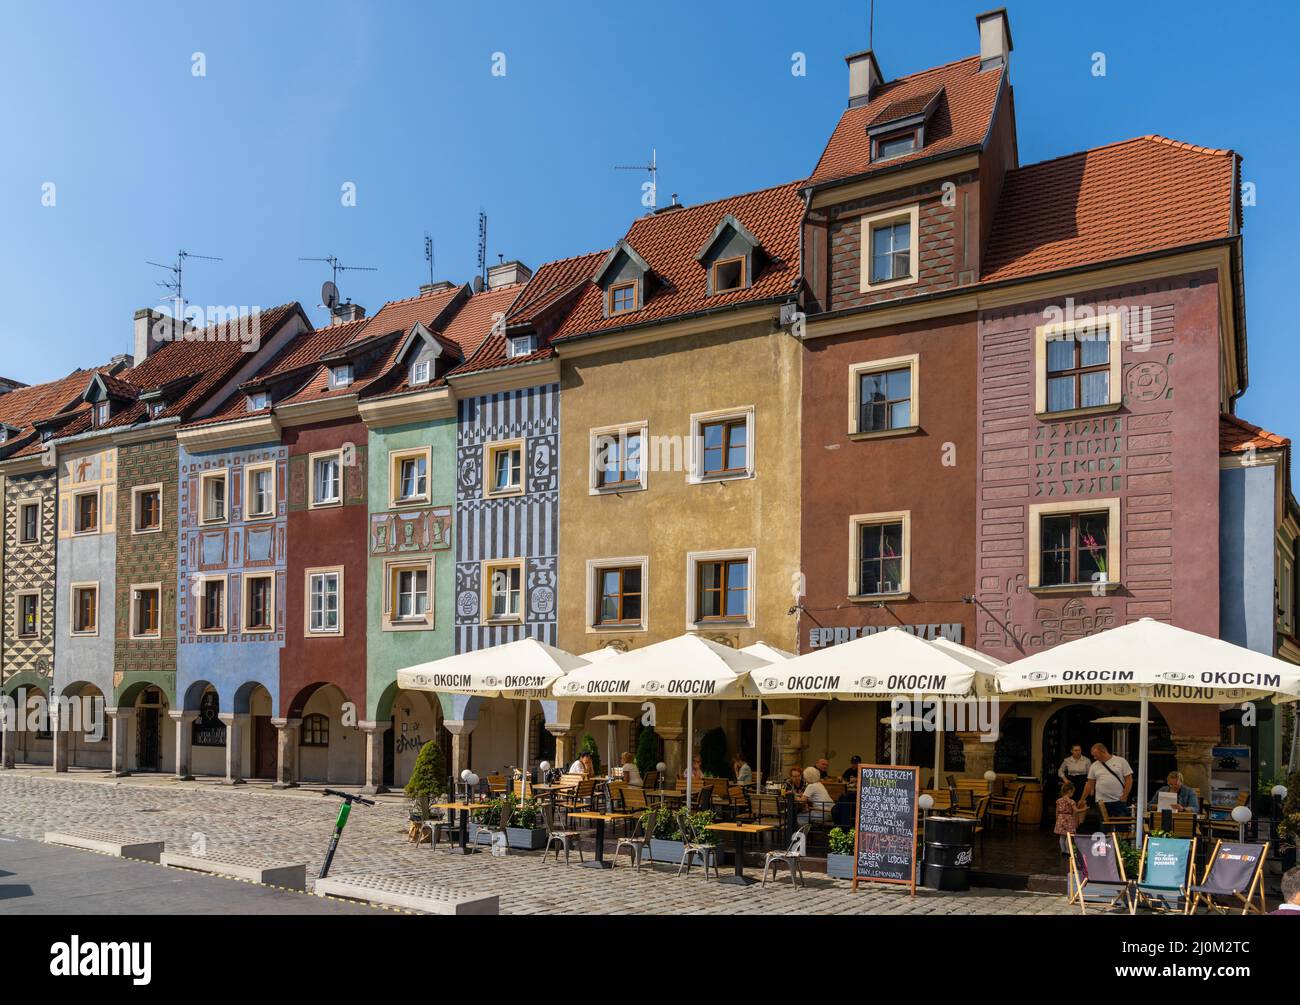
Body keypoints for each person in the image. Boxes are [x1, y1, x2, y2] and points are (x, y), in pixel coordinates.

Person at [1079, 742, 1133, 818]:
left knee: (1121, 825)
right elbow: (1089, 784)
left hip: (1118, 800)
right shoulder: (1094, 765)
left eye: (1096, 755)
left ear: (1103, 751)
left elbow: (1129, 780)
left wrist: (1125, 795)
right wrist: (1082, 799)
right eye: (1093, 756)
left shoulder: (1121, 761)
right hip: (1101, 802)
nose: (1094, 758)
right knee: (1104, 826)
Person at [1054, 779, 1084, 855]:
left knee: (1062, 836)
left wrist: (1057, 819)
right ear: (1069, 791)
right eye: (1073, 792)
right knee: (1068, 836)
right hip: (1068, 819)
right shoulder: (1071, 801)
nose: (1073, 794)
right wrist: (1084, 809)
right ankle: (1068, 851)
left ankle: (1063, 850)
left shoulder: (1058, 800)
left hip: (1060, 818)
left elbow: (1057, 811)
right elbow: (1076, 811)